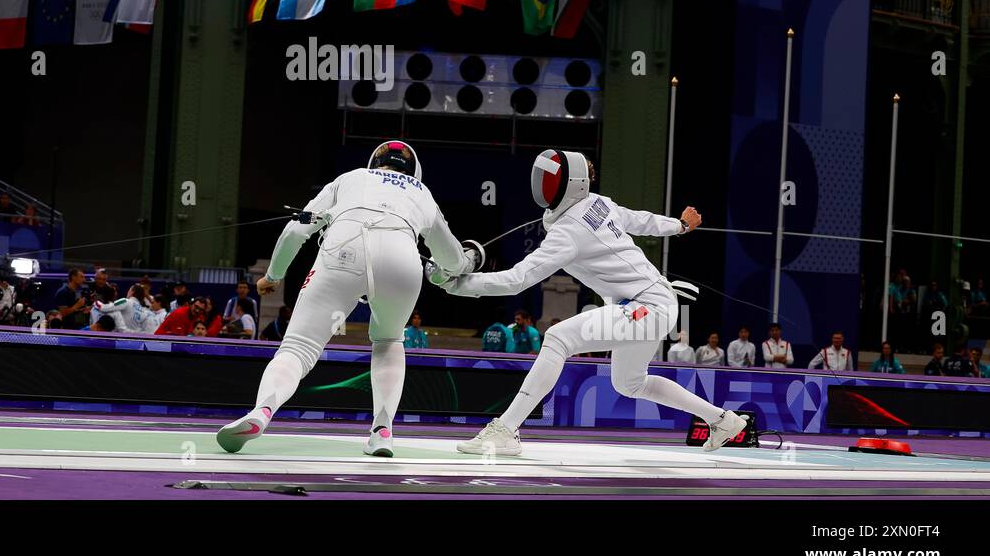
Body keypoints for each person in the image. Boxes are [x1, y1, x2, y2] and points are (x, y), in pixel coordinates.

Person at [438, 149, 745, 456]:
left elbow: (518, 279)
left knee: (559, 338)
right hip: (649, 304)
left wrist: (459, 285)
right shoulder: (599, 204)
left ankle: (506, 430)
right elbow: (640, 221)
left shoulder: (569, 231)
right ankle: (722, 420)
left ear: (571, 184)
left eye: (549, 180)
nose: (542, 185)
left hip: (646, 306)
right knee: (630, 384)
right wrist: (679, 225)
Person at [216, 140, 482, 457]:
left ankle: (261, 412)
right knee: (388, 341)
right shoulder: (422, 193)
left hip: (343, 250)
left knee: (298, 347)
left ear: (375, 161)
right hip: (402, 261)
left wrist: (273, 276)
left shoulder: (351, 177)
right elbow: (451, 259)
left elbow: (295, 230)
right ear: (413, 171)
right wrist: (466, 263)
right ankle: (382, 431)